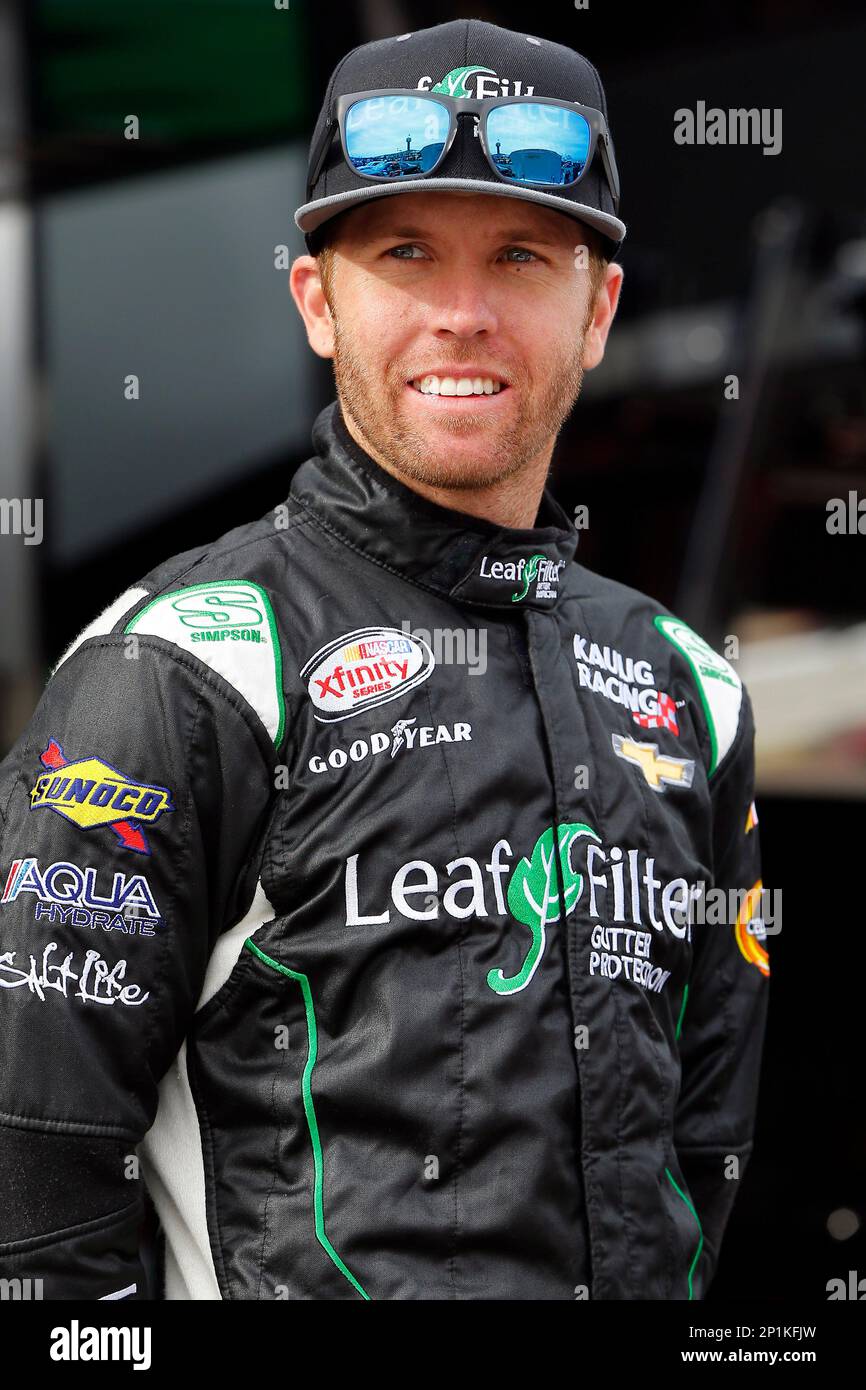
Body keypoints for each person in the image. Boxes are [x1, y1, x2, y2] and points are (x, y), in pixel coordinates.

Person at [0, 18, 769, 1301]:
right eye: (404, 252)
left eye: (521, 257)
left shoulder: (691, 684)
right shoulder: (191, 662)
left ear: (597, 310)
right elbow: (31, 1173)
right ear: (317, 300)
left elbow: (704, 1155)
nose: (462, 313)